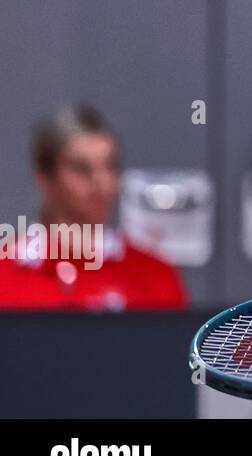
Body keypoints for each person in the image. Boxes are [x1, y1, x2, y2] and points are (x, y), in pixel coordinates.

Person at [0, 103, 188, 311]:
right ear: (44, 177)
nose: (102, 183)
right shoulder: (5, 269)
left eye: (110, 166)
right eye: (81, 169)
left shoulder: (155, 274)